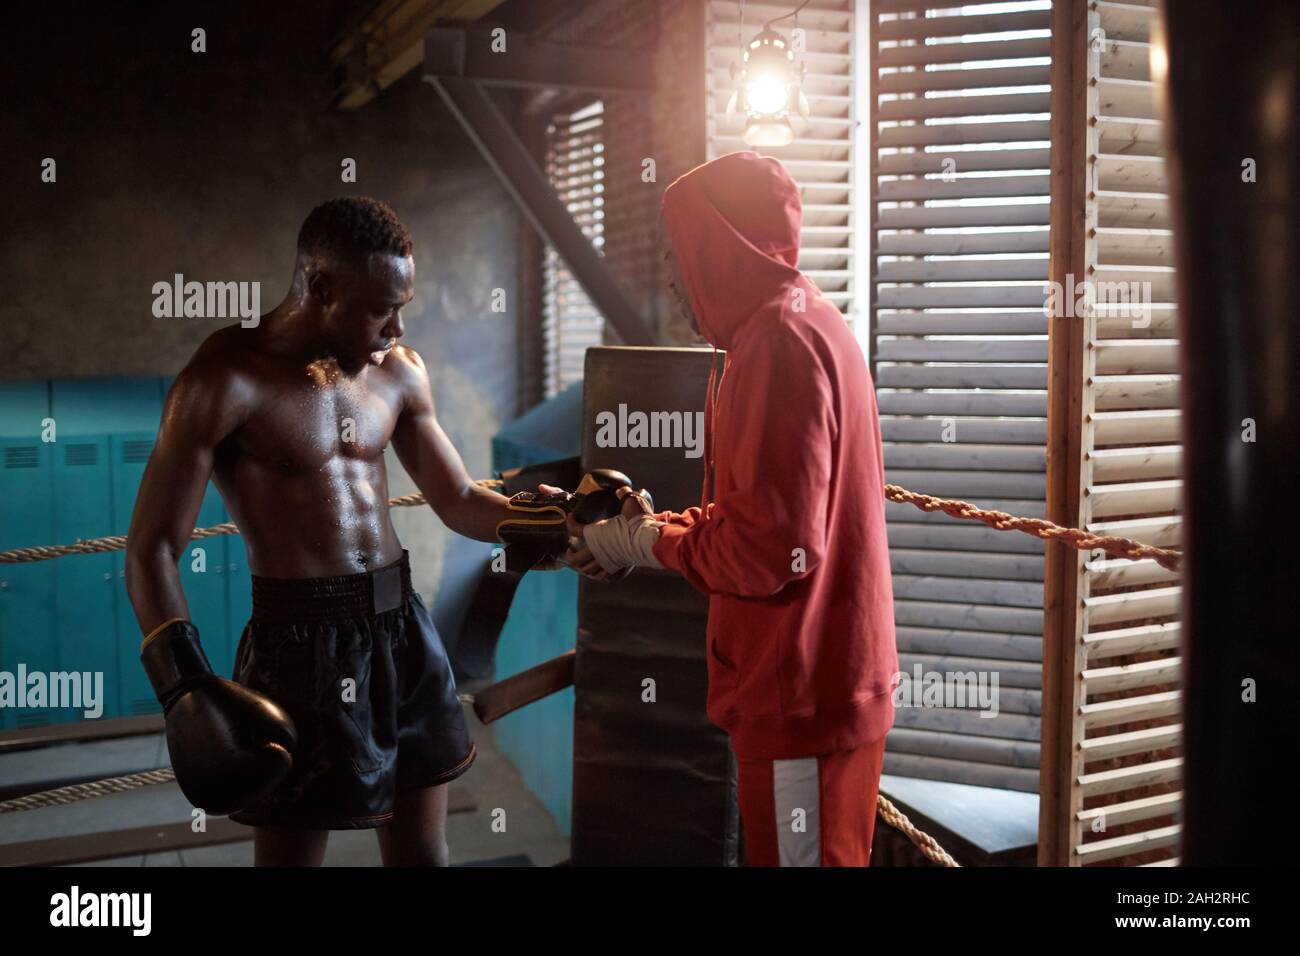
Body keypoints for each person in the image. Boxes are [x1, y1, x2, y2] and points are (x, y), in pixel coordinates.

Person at [125, 197, 529, 866]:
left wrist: (551, 522)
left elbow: (458, 500)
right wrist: (185, 688)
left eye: (402, 305)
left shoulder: (398, 371)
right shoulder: (226, 378)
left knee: (423, 857)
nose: (396, 327)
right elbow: (152, 550)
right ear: (319, 285)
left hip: (401, 628)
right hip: (299, 648)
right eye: (378, 308)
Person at [566, 151, 900, 867]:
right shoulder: (804, 322)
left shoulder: (776, 345)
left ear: (723, 246)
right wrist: (651, 531)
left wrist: (638, 545)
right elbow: (765, 521)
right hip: (822, 684)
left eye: (677, 249)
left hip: (799, 694)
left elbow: (766, 552)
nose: (669, 272)